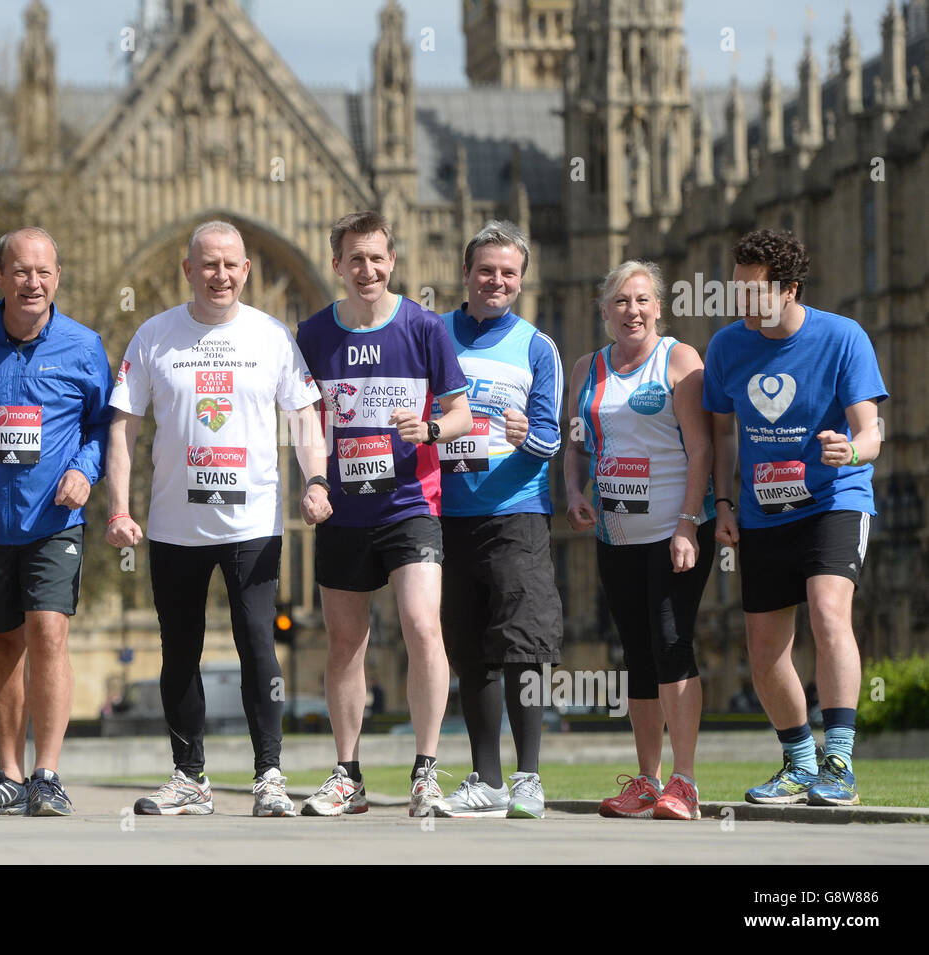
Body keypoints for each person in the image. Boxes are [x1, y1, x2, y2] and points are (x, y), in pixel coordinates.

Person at [107, 220, 330, 817]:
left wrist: (315, 479)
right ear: (189, 271)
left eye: (231, 264)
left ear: (246, 270)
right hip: (174, 524)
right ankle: (189, 779)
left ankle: (270, 777)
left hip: (252, 523)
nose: (221, 275)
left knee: (258, 643)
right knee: (179, 649)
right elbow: (123, 426)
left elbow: (306, 417)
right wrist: (120, 506)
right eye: (208, 264)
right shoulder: (154, 336)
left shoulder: (272, 336)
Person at [295, 211, 472, 817]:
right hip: (342, 511)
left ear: (391, 261)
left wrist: (428, 427)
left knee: (423, 625)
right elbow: (304, 421)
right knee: (346, 642)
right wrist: (315, 481)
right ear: (337, 264)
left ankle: (426, 772)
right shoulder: (314, 334)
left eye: (377, 258)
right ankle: (347, 775)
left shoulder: (424, 326)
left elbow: (462, 415)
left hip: (410, 504)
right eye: (354, 259)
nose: (366, 269)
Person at [704, 229, 886, 806]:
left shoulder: (843, 337)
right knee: (764, 649)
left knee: (829, 614)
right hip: (762, 512)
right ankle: (800, 763)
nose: (742, 304)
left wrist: (850, 451)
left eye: (754, 292)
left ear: (789, 291)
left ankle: (839, 761)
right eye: (737, 291)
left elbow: (871, 431)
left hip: (836, 498)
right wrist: (724, 504)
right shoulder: (728, 347)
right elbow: (722, 434)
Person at [0, 227, 113, 816]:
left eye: (43, 272)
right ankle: (9, 773)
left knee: (48, 632)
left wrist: (86, 472)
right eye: (20, 271)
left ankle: (48, 774)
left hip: (54, 519)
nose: (32, 282)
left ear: (57, 278)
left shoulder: (85, 347)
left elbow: (101, 427)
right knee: (2, 646)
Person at [565, 261, 716, 821]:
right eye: (621, 302)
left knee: (671, 641)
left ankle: (686, 782)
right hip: (615, 532)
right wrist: (574, 490)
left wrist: (686, 523)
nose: (632, 311)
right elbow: (575, 442)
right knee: (636, 653)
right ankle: (648, 782)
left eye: (642, 300)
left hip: (673, 529)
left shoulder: (679, 360)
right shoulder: (586, 368)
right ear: (605, 312)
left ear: (659, 308)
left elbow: (701, 450)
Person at [433, 221, 564, 819]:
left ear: (520, 280)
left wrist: (526, 437)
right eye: (486, 270)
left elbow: (552, 438)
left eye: (508, 273)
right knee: (471, 649)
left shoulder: (537, 346)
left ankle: (528, 777)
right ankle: (485, 779)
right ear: (466, 274)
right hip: (448, 514)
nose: (496, 281)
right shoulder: (435, 335)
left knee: (523, 645)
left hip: (516, 514)